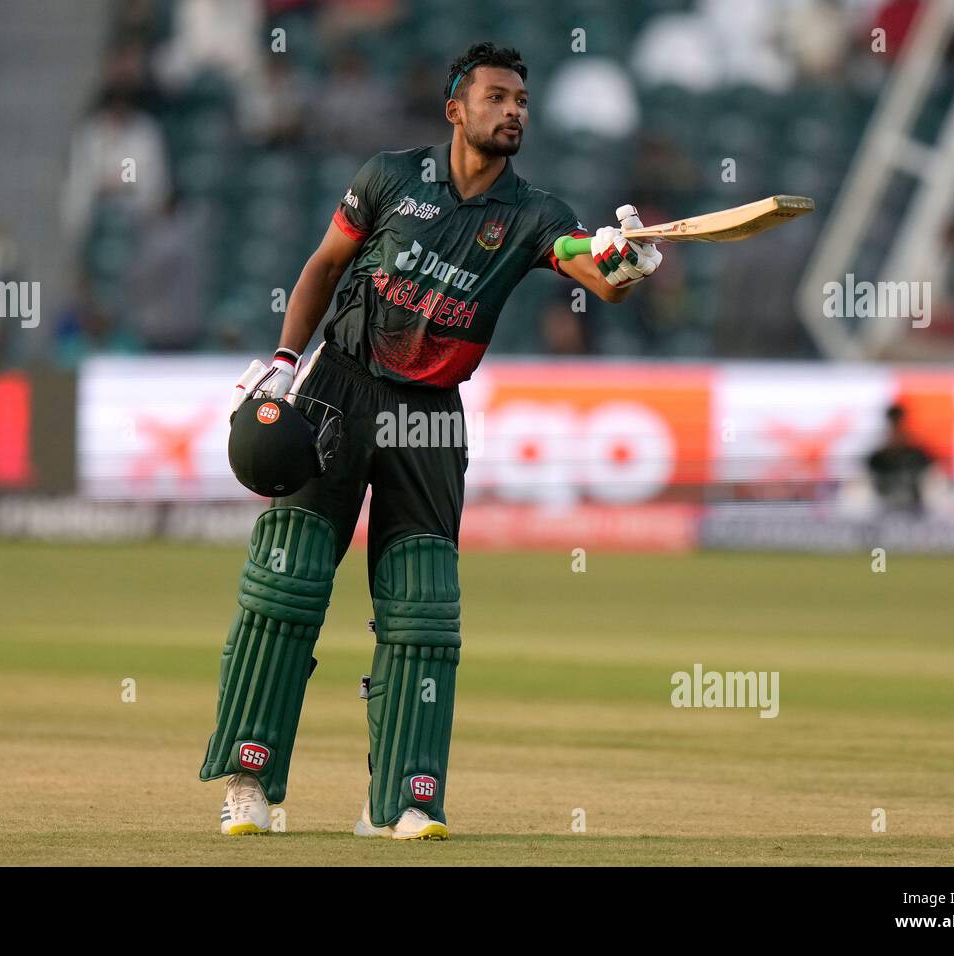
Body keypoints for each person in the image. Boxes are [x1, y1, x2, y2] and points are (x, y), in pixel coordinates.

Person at [198, 41, 661, 840]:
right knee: (285, 591)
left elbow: (592, 270)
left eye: (521, 100)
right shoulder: (389, 177)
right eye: (496, 97)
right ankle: (250, 785)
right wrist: (283, 364)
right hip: (337, 389)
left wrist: (629, 262)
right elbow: (322, 265)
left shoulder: (534, 213)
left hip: (429, 415)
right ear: (456, 109)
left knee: (422, 609)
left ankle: (405, 801)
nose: (513, 110)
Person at [865, 404, 935, 514]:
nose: (897, 431)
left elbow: (933, 485)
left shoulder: (919, 456)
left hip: (915, 511)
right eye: (893, 425)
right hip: (885, 511)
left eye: (899, 425)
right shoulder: (877, 459)